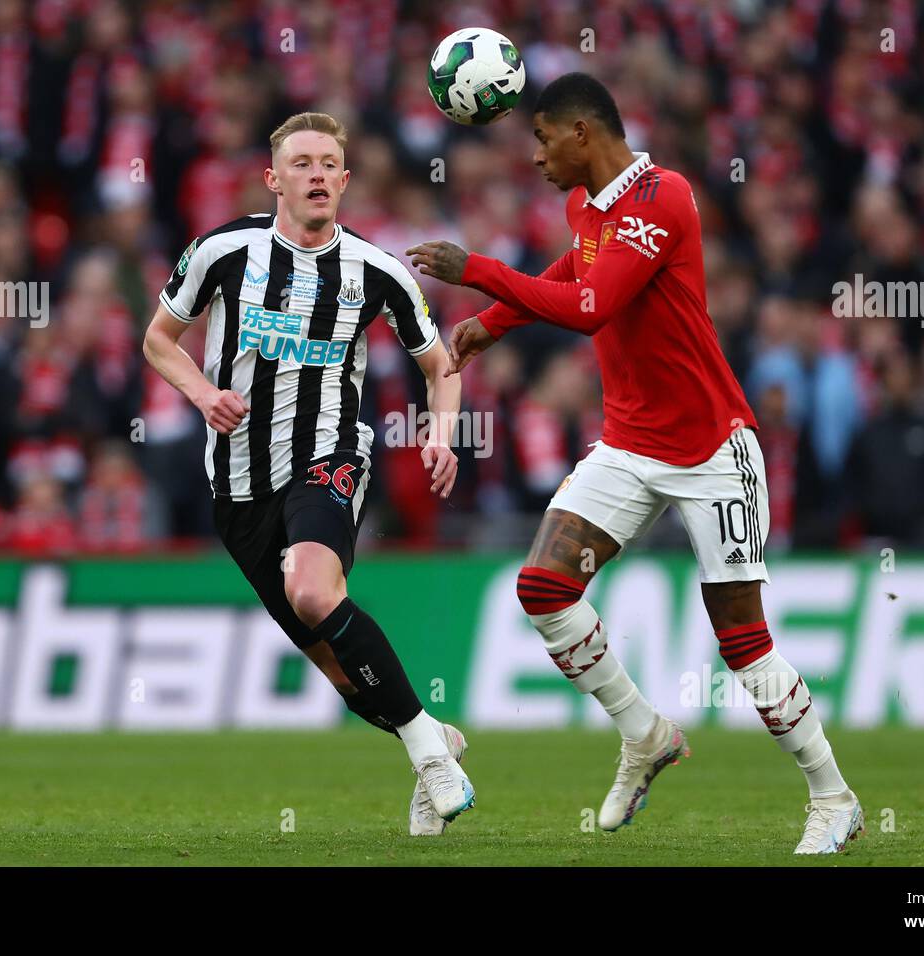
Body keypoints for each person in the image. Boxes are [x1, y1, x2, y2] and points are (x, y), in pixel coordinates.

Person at [408, 73, 861, 853]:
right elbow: (568, 275)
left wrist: (477, 269)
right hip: (628, 443)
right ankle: (645, 733)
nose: (538, 156)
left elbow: (593, 307)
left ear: (583, 133)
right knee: (545, 588)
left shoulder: (664, 198)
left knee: (742, 641)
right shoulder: (587, 207)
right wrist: (493, 323)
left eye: (545, 139)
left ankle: (834, 796)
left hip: (710, 447)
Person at [143, 112, 474, 836]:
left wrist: (441, 434)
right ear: (274, 179)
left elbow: (438, 364)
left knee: (312, 587)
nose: (317, 174)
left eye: (330, 163)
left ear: (346, 180)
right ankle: (433, 739)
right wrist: (202, 393)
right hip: (237, 483)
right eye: (302, 163)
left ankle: (426, 752)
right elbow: (158, 339)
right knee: (336, 666)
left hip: (330, 453)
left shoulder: (376, 270)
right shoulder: (223, 250)